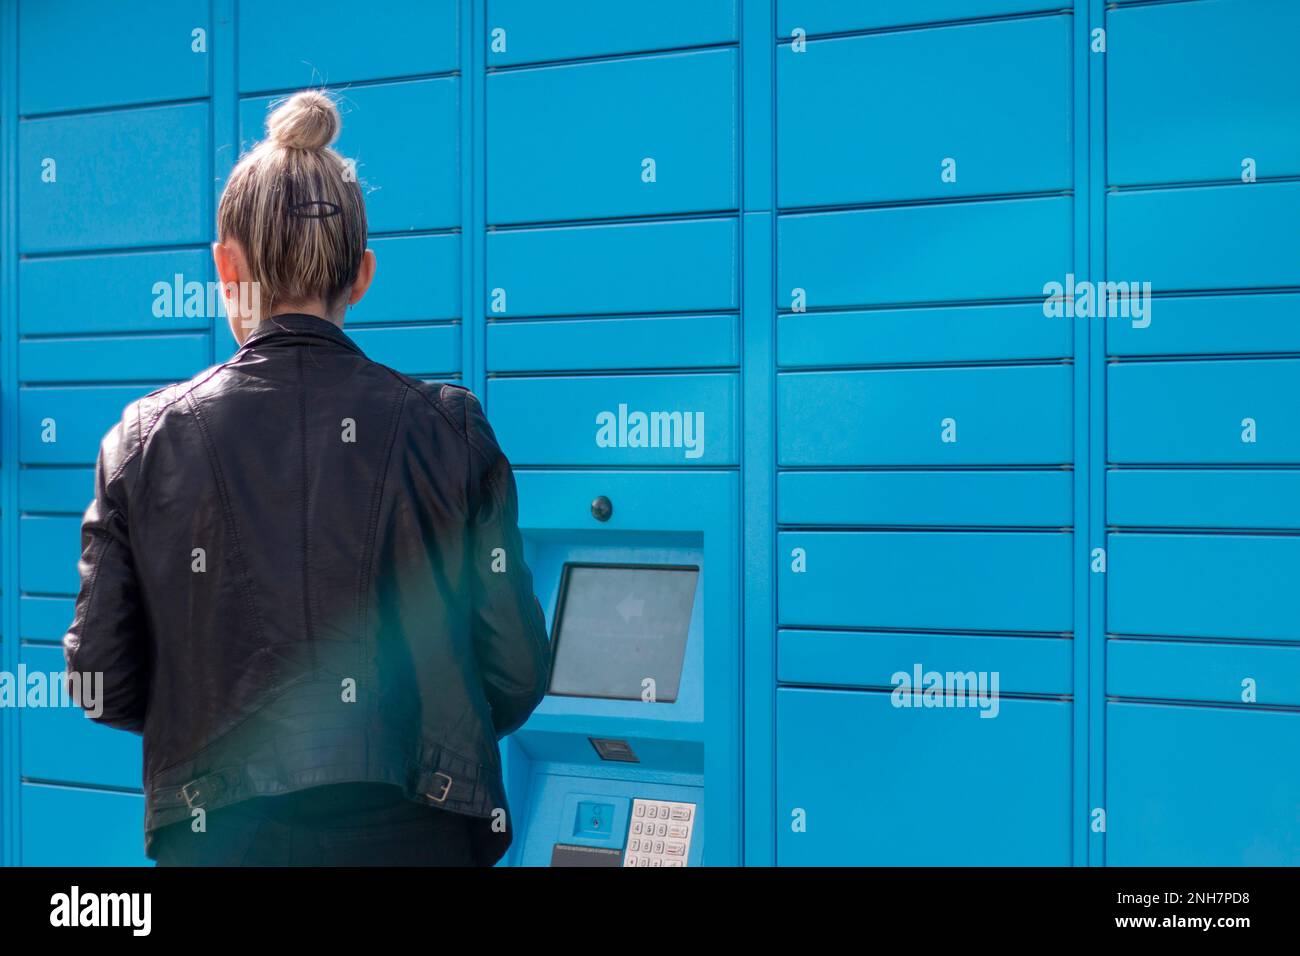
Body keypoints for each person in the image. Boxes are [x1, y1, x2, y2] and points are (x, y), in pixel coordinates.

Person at [62, 90, 551, 866]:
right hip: (415, 835)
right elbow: (518, 667)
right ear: (361, 275)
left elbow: (99, 679)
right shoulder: (450, 429)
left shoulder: (142, 441)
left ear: (227, 268)